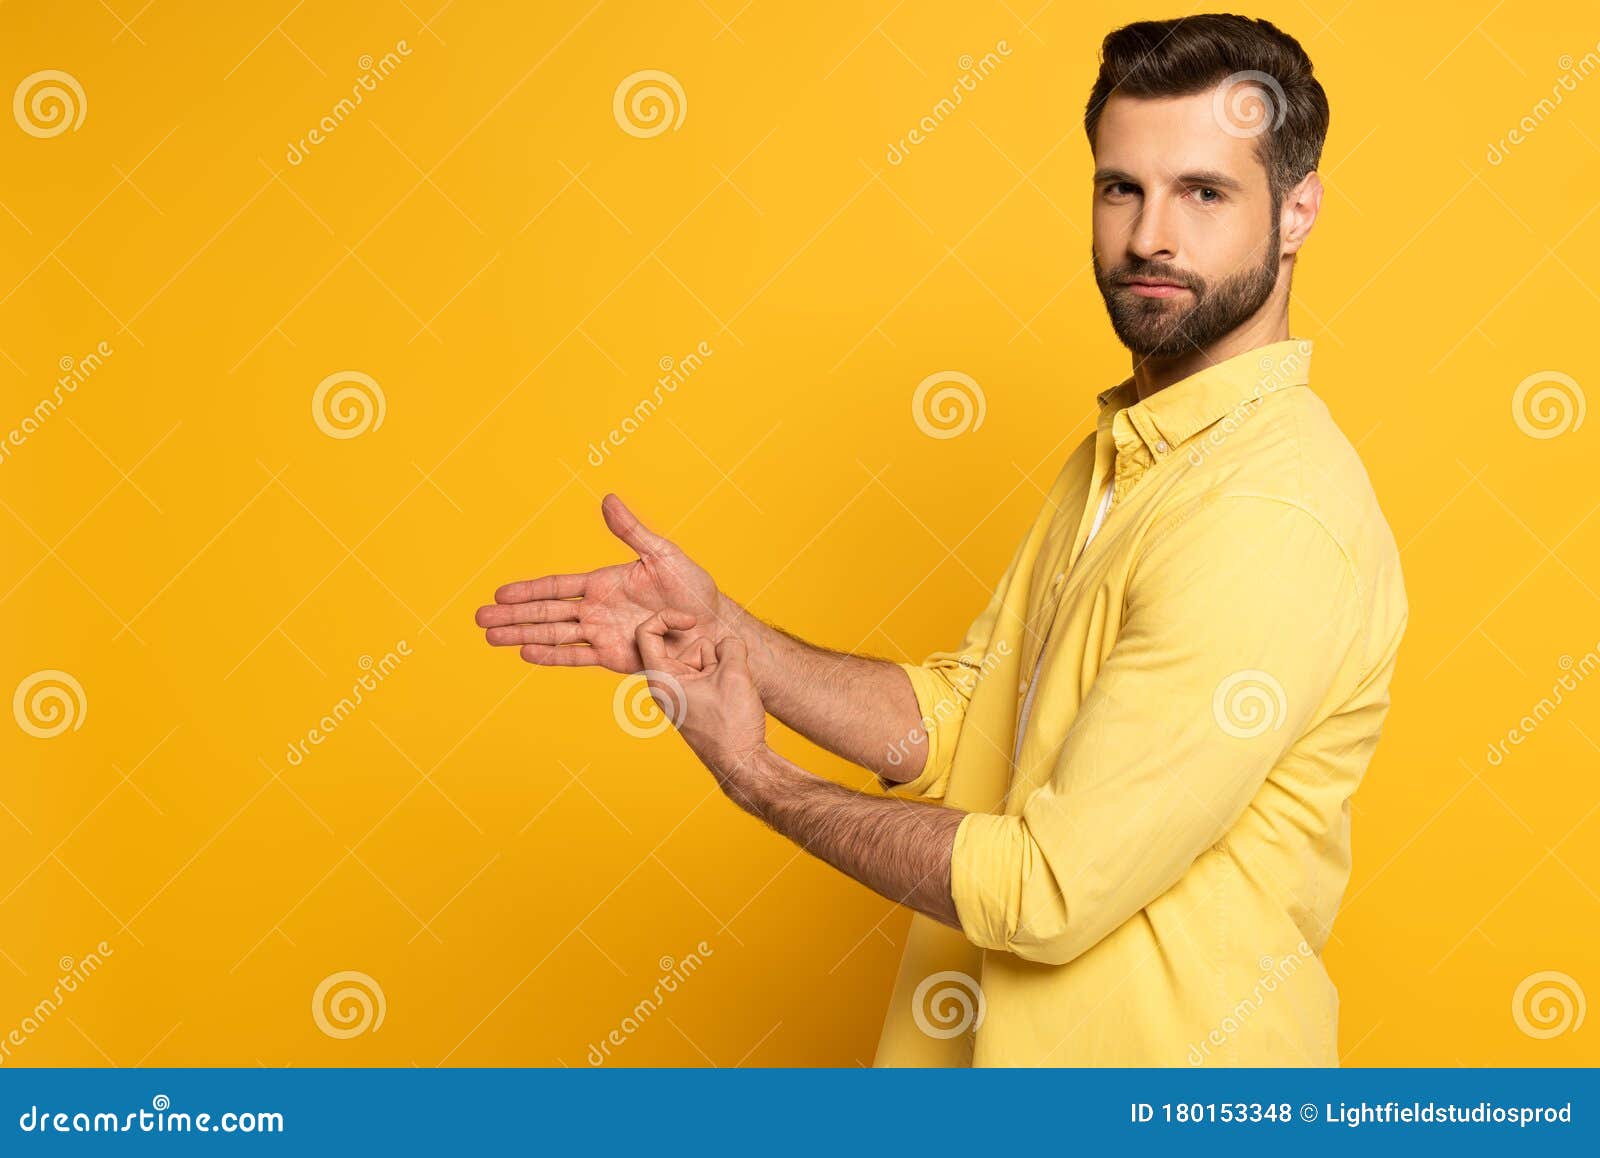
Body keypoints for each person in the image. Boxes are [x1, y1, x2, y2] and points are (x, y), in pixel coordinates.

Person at [476, 13, 1407, 1066]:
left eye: (1204, 192)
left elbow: (1048, 890)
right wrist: (727, 633)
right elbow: (964, 720)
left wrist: (761, 779)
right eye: (1120, 187)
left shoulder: (1265, 516)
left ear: (1296, 213)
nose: (1150, 234)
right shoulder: (1125, 454)